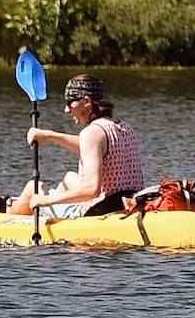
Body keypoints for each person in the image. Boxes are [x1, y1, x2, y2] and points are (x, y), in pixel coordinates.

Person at [15, 73, 144, 219]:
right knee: (69, 177)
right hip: (125, 203)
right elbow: (93, 148)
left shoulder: (91, 133)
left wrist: (45, 200)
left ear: (87, 101)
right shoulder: (123, 127)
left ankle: (6, 220)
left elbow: (92, 189)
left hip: (96, 211)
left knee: (33, 188)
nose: (67, 110)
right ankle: (52, 205)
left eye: (70, 103)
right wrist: (49, 135)